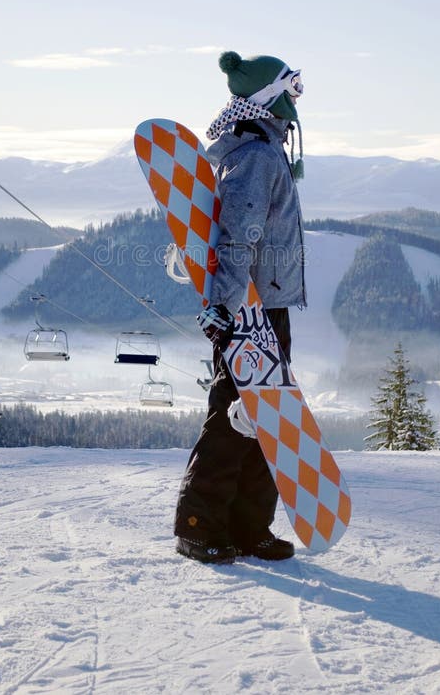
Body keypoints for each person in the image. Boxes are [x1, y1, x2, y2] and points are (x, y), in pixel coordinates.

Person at [175, 50, 307, 564]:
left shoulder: (264, 150)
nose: (297, 101)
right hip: (247, 309)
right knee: (233, 418)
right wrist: (225, 305)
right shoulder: (255, 155)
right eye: (292, 89)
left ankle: (249, 526)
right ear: (269, 97)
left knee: (266, 418)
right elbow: (238, 236)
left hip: (267, 305)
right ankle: (198, 525)